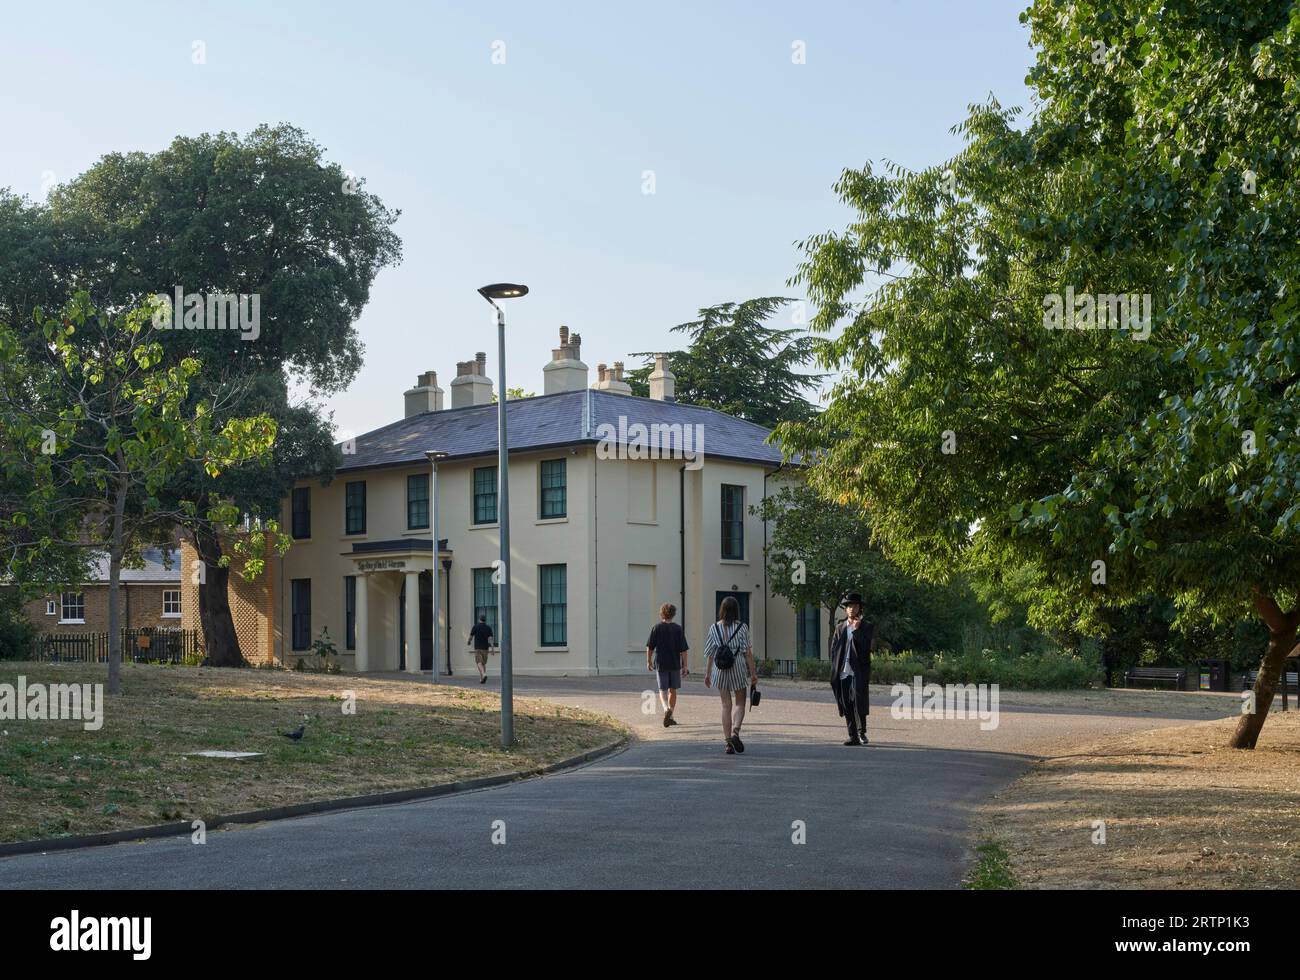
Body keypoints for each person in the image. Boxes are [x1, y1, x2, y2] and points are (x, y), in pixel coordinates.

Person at [703, 596, 757, 754]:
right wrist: (753, 673)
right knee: (740, 703)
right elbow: (748, 652)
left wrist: (707, 674)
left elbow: (710, 654)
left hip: (720, 669)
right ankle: (735, 732)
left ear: (722, 610)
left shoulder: (714, 627)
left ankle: (727, 743)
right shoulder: (742, 627)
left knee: (726, 705)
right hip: (738, 666)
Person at [829, 591, 873, 745]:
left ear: (860, 608)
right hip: (843, 670)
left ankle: (862, 733)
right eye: (848, 606)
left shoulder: (866, 626)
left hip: (858, 670)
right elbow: (834, 648)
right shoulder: (840, 627)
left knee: (858, 701)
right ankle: (852, 735)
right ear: (845, 609)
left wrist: (856, 630)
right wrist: (835, 666)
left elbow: (866, 647)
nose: (851, 609)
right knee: (846, 702)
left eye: (854, 606)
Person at [646, 602, 689, 727]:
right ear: (674, 614)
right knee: (673, 690)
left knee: (662, 689)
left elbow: (650, 647)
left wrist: (648, 661)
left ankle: (666, 709)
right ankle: (671, 714)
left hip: (661, 663)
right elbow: (684, 650)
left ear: (662, 613)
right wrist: (685, 666)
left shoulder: (657, 628)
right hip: (675, 663)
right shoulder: (678, 629)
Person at [468, 615, 494, 683]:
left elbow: (471, 636)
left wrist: (469, 641)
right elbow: (490, 639)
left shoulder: (476, 626)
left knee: (478, 662)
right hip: (485, 648)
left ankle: (484, 674)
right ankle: (482, 678)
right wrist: (492, 648)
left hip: (478, 648)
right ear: (485, 620)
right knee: (483, 663)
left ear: (479, 619)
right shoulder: (488, 628)